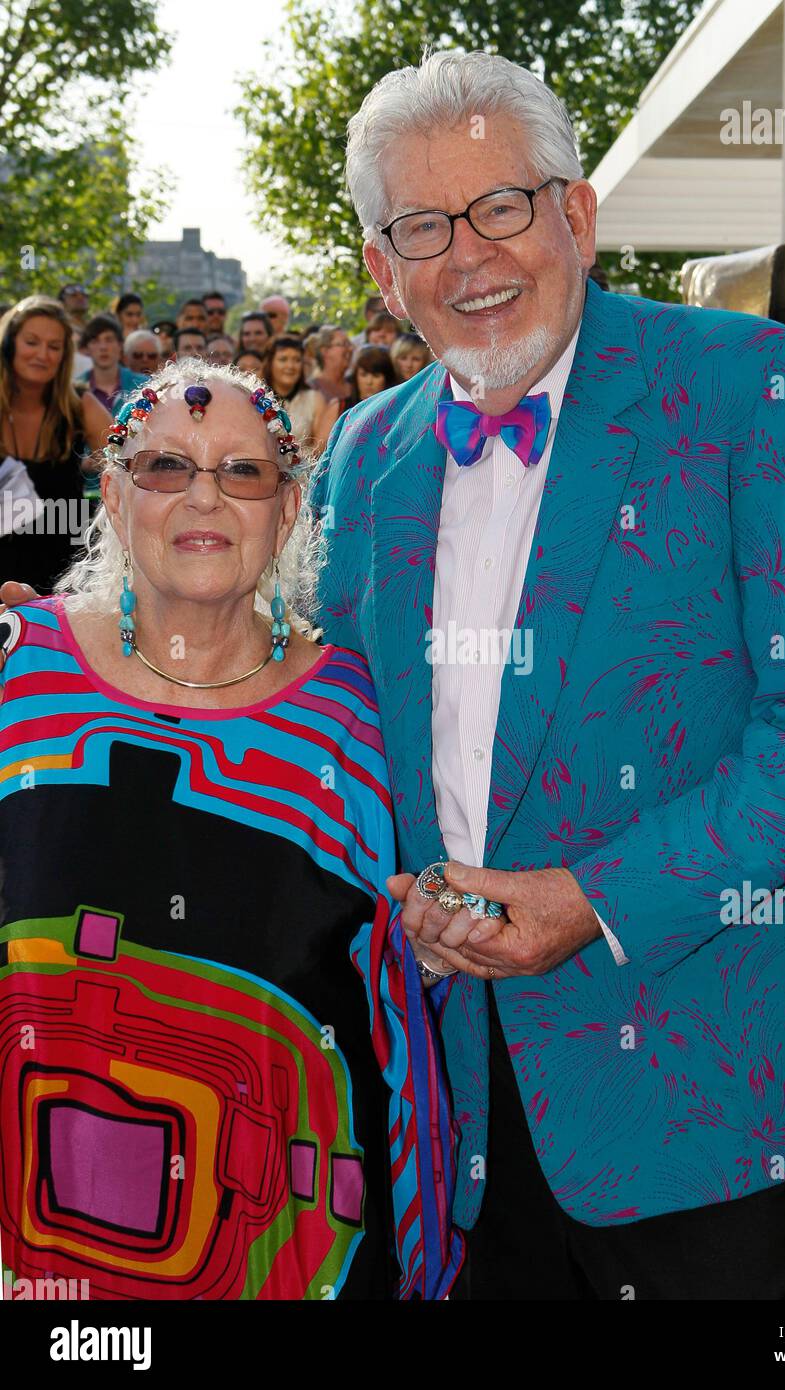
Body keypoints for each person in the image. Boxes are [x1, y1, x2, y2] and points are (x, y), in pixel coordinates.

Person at [309, 50, 785, 1300]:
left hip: (691, 1088)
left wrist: (594, 894)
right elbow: (337, 717)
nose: (467, 256)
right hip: (448, 1083)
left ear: (574, 214)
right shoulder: (367, 452)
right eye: (421, 225)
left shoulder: (748, 385)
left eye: (500, 205)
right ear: (381, 270)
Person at [0, 358, 462, 1301]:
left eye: (242, 472)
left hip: (280, 1239)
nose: (203, 497)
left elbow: (404, 974)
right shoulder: (16, 673)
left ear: (288, 511)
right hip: (34, 1230)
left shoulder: (363, 713)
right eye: (166, 466)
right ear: (115, 496)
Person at [0, 296, 112, 592]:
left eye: (54, 347)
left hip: (61, 586)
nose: (42, 354)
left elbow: (128, 462)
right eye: (32, 342)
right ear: (9, 344)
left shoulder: (79, 406)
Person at [261, 334, 335, 446]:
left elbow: (319, 447)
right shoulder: (257, 398)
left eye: (297, 360)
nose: (290, 366)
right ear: (270, 363)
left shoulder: (314, 399)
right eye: (283, 359)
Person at [79, 313, 147, 416]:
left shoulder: (143, 385)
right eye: (95, 341)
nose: (103, 347)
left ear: (120, 345)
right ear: (87, 348)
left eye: (109, 340)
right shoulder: (75, 391)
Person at [305, 326, 354, 408]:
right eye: (344, 344)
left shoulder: (355, 385)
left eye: (349, 344)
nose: (350, 349)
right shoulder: (311, 388)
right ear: (325, 351)